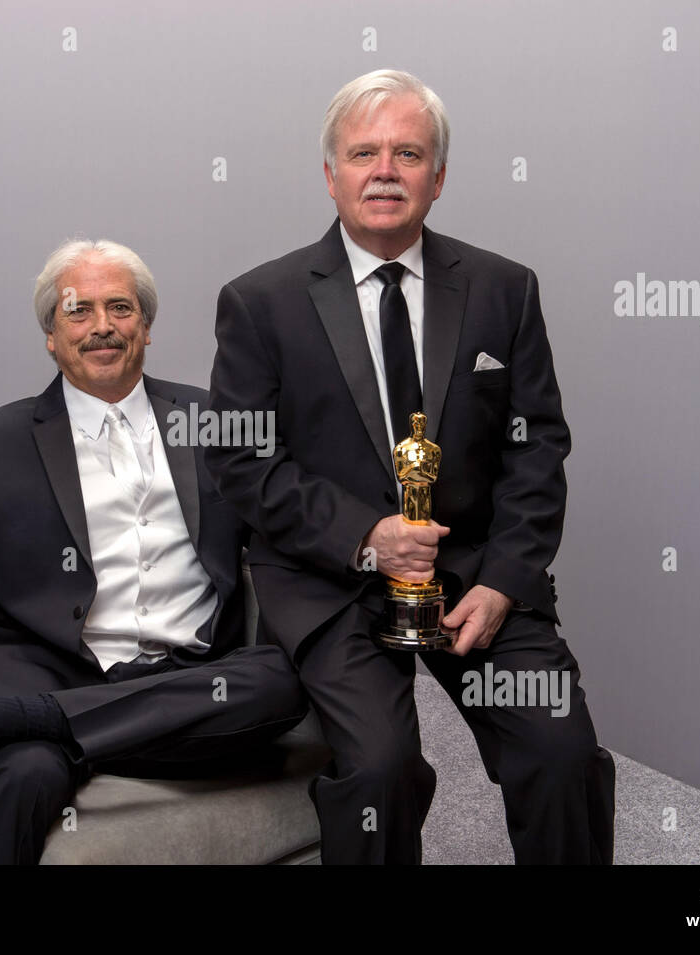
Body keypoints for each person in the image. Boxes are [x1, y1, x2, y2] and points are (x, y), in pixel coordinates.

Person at [205, 69, 616, 864]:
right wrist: (368, 536)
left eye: (408, 152)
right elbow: (242, 462)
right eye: (363, 153)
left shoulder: (504, 290)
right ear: (331, 175)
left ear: (439, 176)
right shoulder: (262, 302)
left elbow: (538, 447)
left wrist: (503, 580)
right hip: (334, 584)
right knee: (380, 771)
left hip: (476, 576)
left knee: (561, 750)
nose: (385, 169)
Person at [0, 238, 307, 865]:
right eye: (78, 310)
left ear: (146, 327)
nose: (102, 327)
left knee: (280, 684)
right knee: (23, 777)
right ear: (51, 333)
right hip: (56, 669)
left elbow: (285, 524)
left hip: (196, 675)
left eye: (121, 308)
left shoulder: (215, 422)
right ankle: (44, 723)